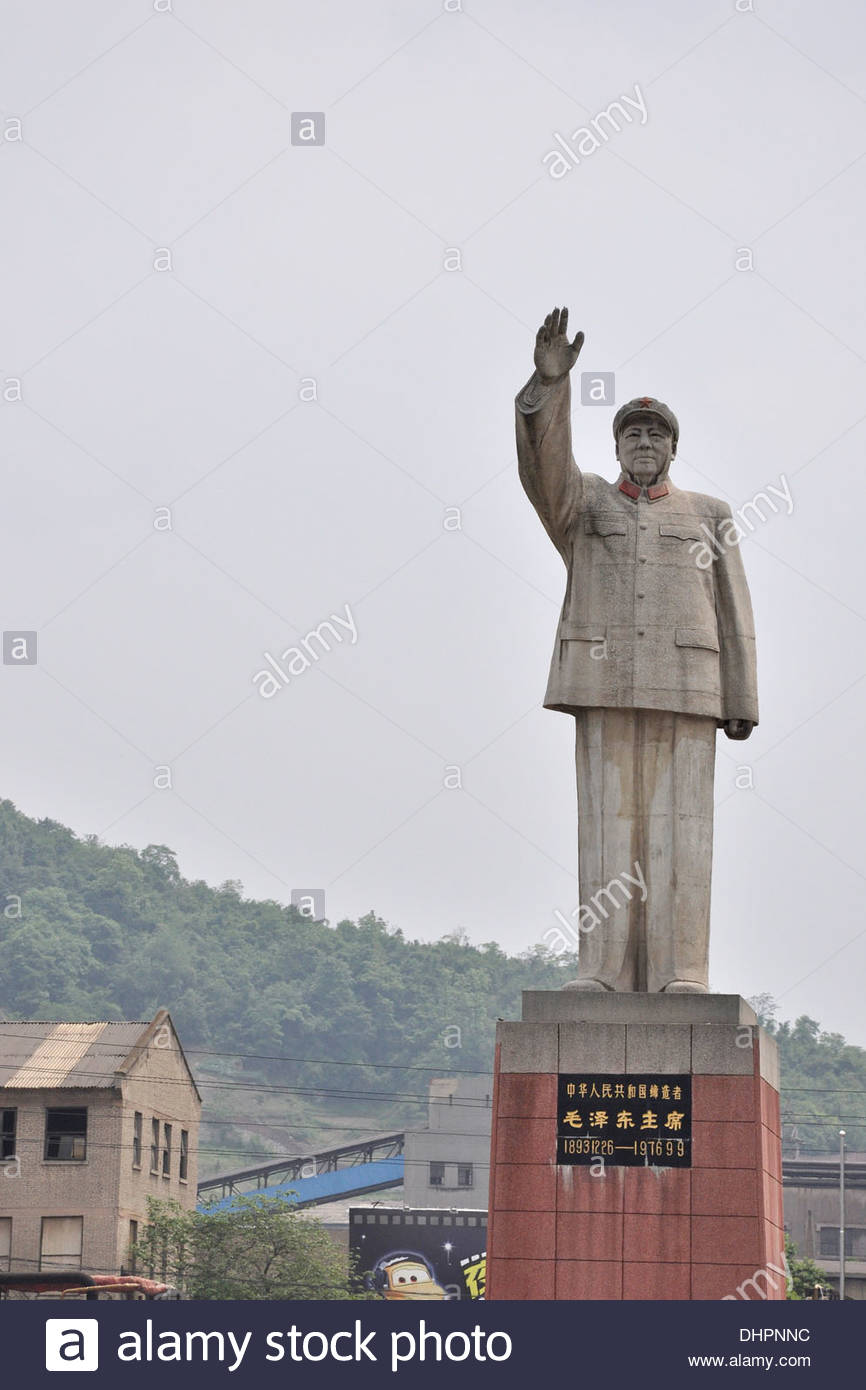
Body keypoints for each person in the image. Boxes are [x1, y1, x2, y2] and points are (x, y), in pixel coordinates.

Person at [517, 307, 758, 992]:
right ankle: (602, 972)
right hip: (604, 682)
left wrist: (741, 699)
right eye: (632, 432)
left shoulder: (709, 514)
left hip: (689, 687)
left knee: (681, 841)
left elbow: (734, 612)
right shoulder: (585, 505)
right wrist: (549, 387)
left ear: (673, 449)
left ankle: (682, 972)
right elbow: (545, 470)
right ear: (616, 445)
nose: (644, 441)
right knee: (607, 837)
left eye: (655, 433)